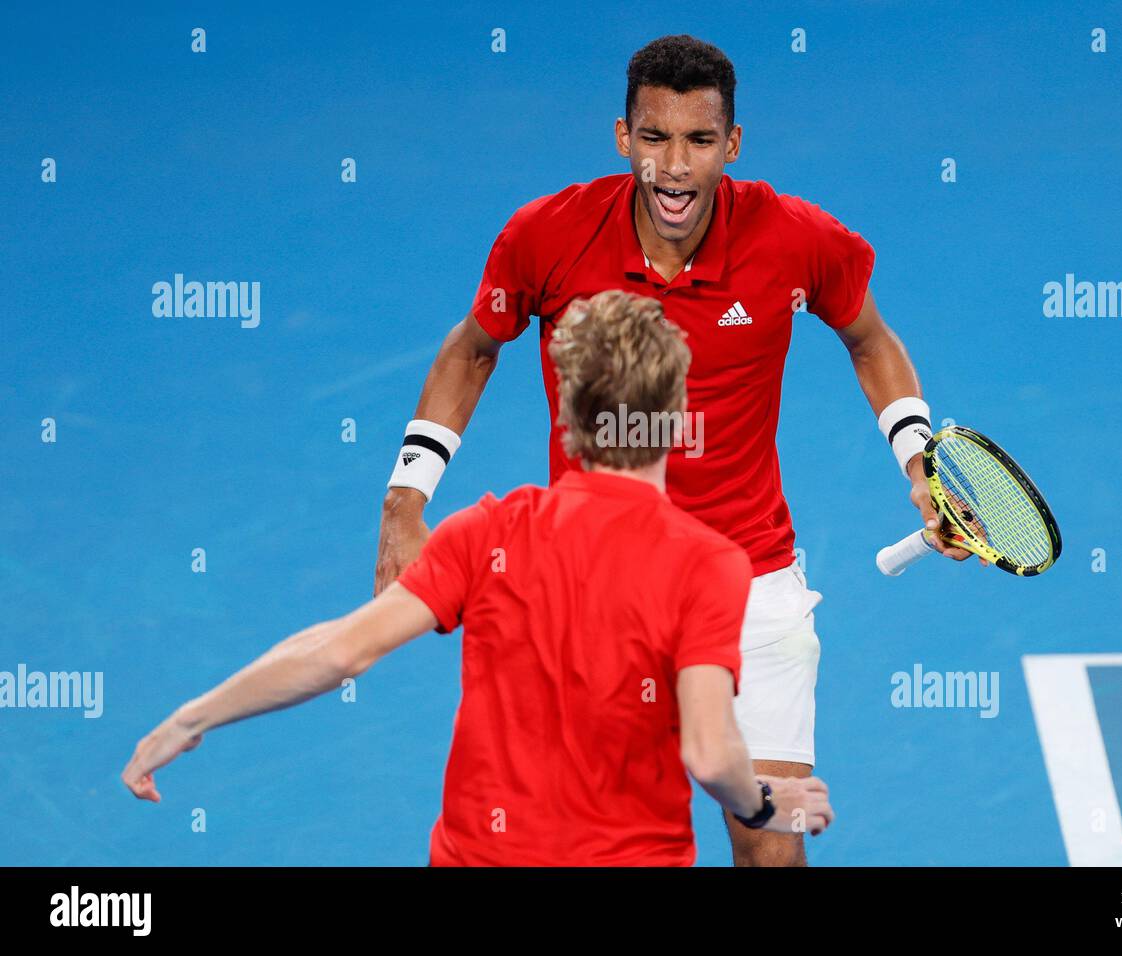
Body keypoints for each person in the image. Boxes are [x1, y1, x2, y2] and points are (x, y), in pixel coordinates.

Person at [373, 35, 979, 867]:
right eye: (654, 138)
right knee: (584, 840)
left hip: (748, 576)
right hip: (595, 584)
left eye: (699, 141)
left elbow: (869, 339)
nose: (674, 167)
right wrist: (405, 498)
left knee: (769, 838)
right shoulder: (546, 236)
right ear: (623, 137)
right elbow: (473, 349)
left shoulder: (797, 240)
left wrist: (922, 467)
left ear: (733, 145)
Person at [123, 289, 834, 866]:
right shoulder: (707, 565)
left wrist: (192, 716)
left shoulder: (486, 531)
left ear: (568, 417)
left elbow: (341, 650)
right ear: (678, 417)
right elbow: (710, 753)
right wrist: (770, 802)